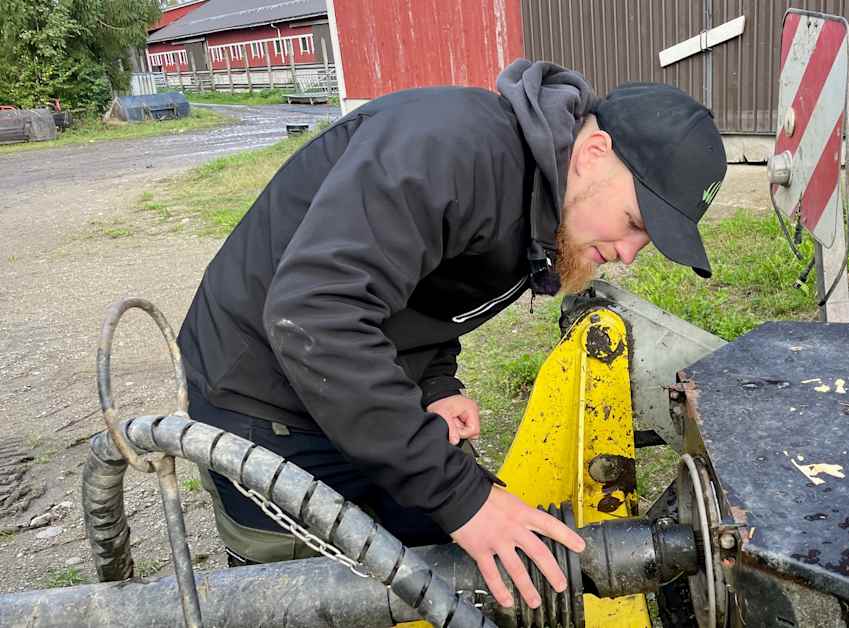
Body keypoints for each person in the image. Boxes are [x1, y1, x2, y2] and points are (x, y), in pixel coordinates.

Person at [178, 58, 727, 609]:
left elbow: (423, 291)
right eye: (635, 223)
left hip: (356, 382)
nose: (629, 255)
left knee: (431, 562)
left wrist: (434, 384)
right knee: (300, 599)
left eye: (647, 241)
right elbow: (316, 315)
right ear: (593, 154)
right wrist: (461, 496)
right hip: (262, 395)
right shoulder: (448, 152)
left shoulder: (544, 197)